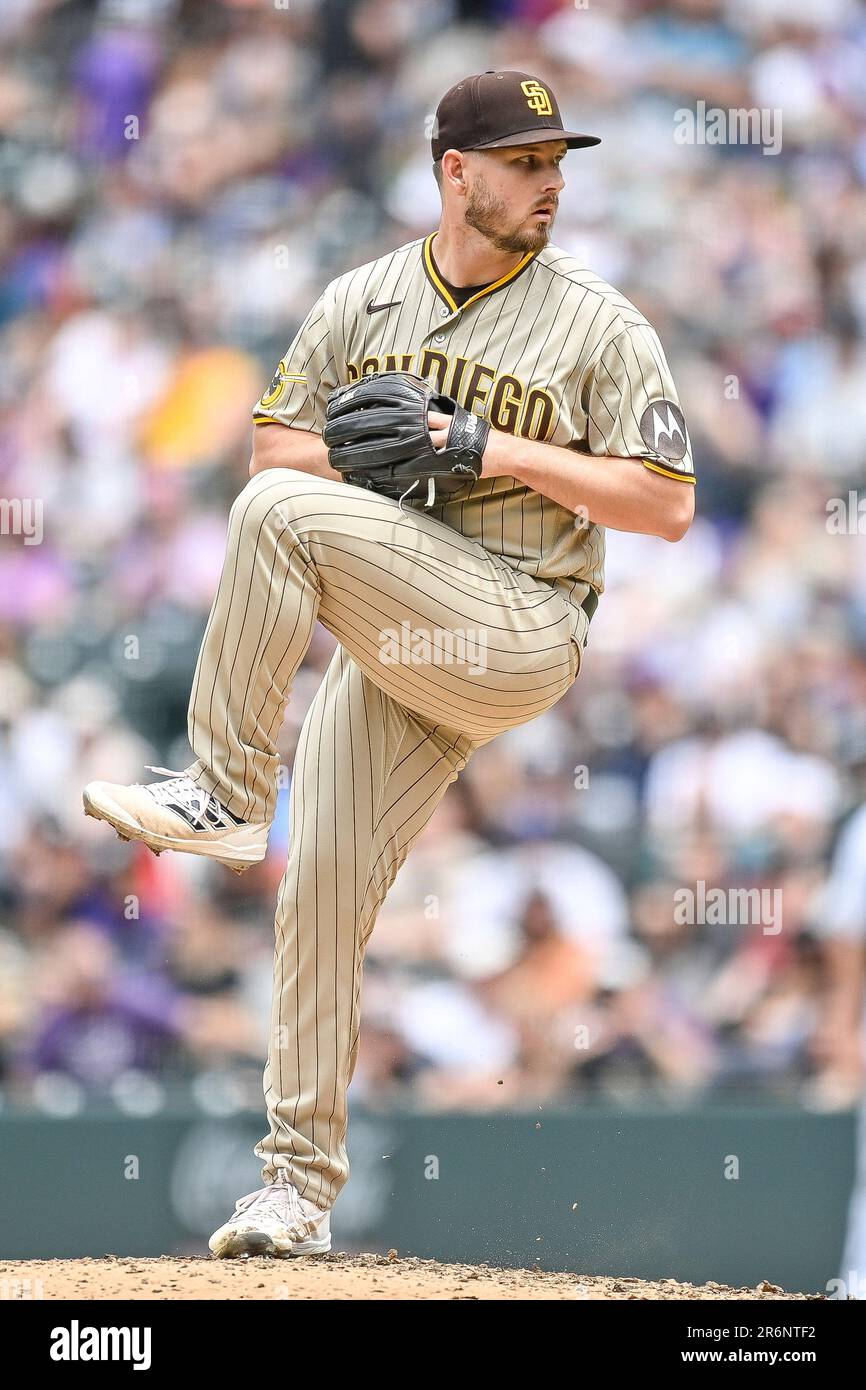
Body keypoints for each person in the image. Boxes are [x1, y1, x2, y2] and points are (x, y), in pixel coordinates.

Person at [82, 70, 696, 1258]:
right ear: (453, 171)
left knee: (274, 517)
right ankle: (295, 1191)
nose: (552, 181)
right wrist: (391, 465)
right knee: (318, 890)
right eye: (526, 162)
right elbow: (273, 439)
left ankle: (222, 789)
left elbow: (662, 504)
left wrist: (483, 445)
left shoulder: (595, 320)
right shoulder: (365, 301)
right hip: (400, 623)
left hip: (520, 618)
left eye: (559, 160)